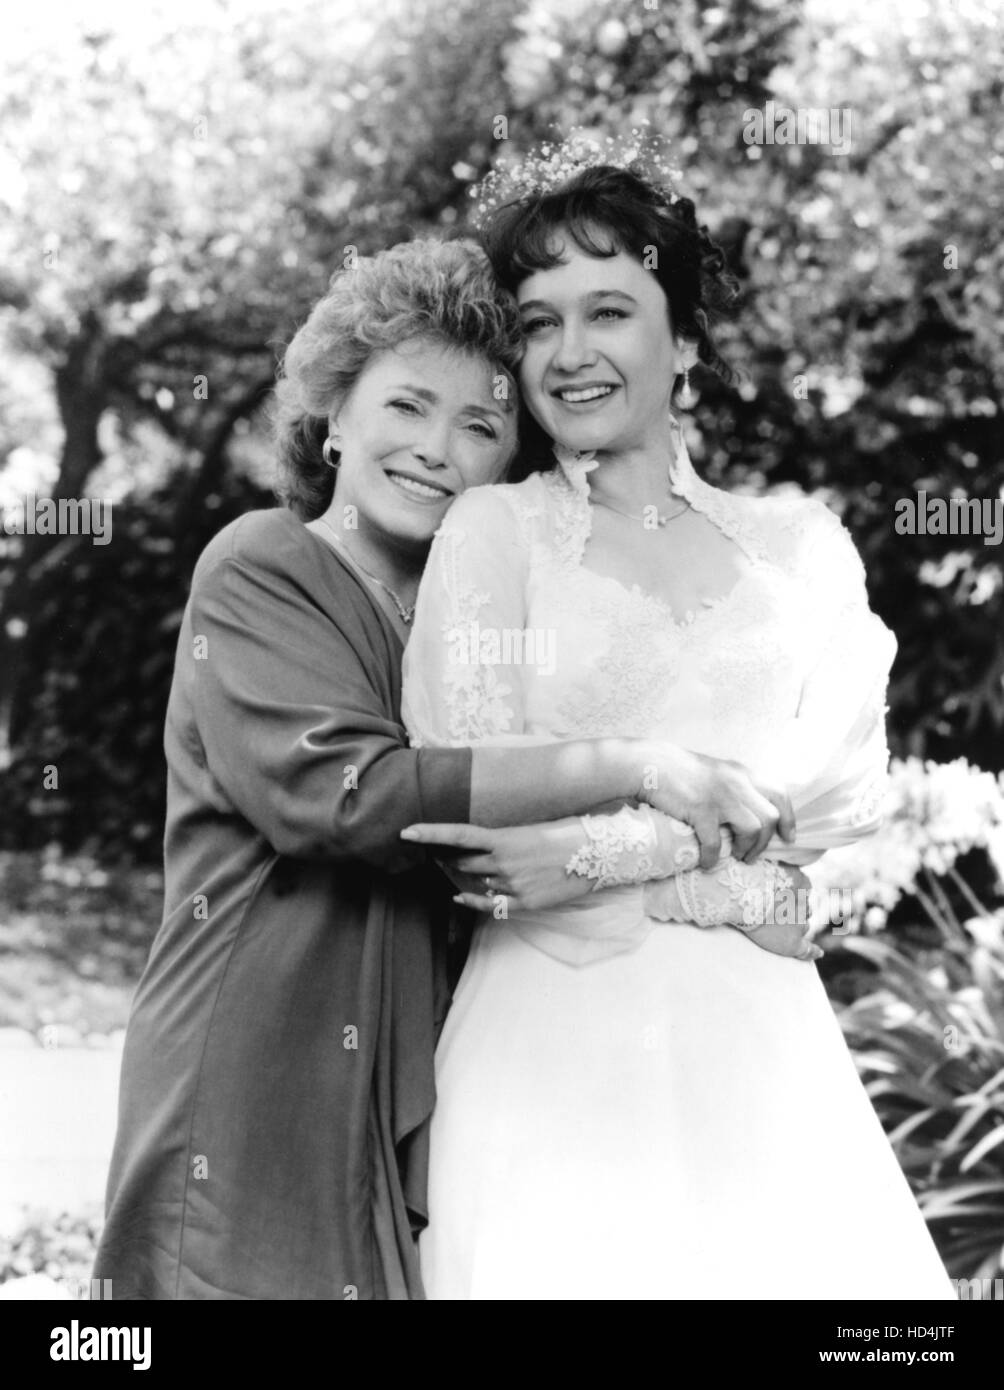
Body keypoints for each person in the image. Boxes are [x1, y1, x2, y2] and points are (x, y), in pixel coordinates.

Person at [92, 236, 795, 1301]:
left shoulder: (474, 620)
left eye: (480, 425)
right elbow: (354, 800)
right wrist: (642, 765)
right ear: (333, 419)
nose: (437, 448)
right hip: (258, 1058)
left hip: (410, 1061)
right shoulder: (262, 565)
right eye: (406, 407)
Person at [400, 154, 957, 1300]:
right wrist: (746, 881)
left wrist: (623, 849)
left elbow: (837, 801)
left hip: (766, 1064)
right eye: (537, 323)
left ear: (685, 344)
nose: (568, 352)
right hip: (551, 1056)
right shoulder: (490, 536)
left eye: (609, 311)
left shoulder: (801, 548)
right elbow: (475, 812)